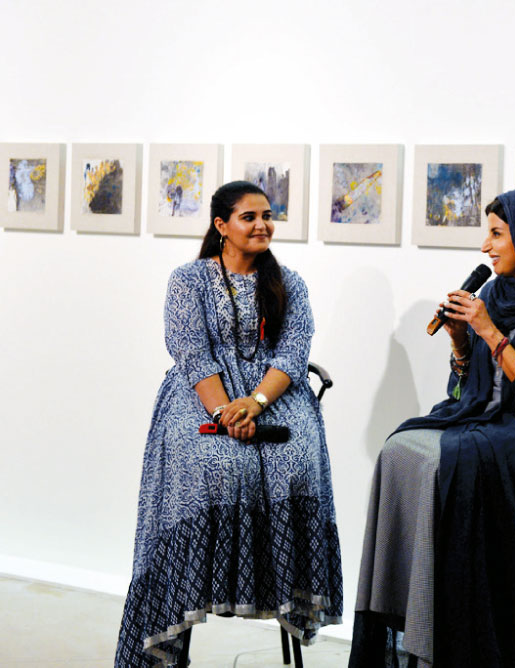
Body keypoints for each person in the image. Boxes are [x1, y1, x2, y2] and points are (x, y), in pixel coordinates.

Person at [350, 188, 515, 668]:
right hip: (494, 426)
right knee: (399, 449)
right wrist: (460, 341)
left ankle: (455, 624)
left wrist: (491, 333)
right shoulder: (496, 291)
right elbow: (470, 390)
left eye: (497, 234)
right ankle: (411, 611)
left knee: (449, 462)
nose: (485, 248)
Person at [115, 181, 343, 667]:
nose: (262, 225)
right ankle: (189, 593)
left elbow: (294, 352)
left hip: (272, 395)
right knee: (215, 464)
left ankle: (282, 586)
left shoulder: (291, 283)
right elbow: (192, 351)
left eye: (267, 215)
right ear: (221, 226)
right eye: (249, 217)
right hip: (205, 395)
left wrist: (256, 403)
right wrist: (224, 413)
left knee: (295, 459)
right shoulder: (189, 280)